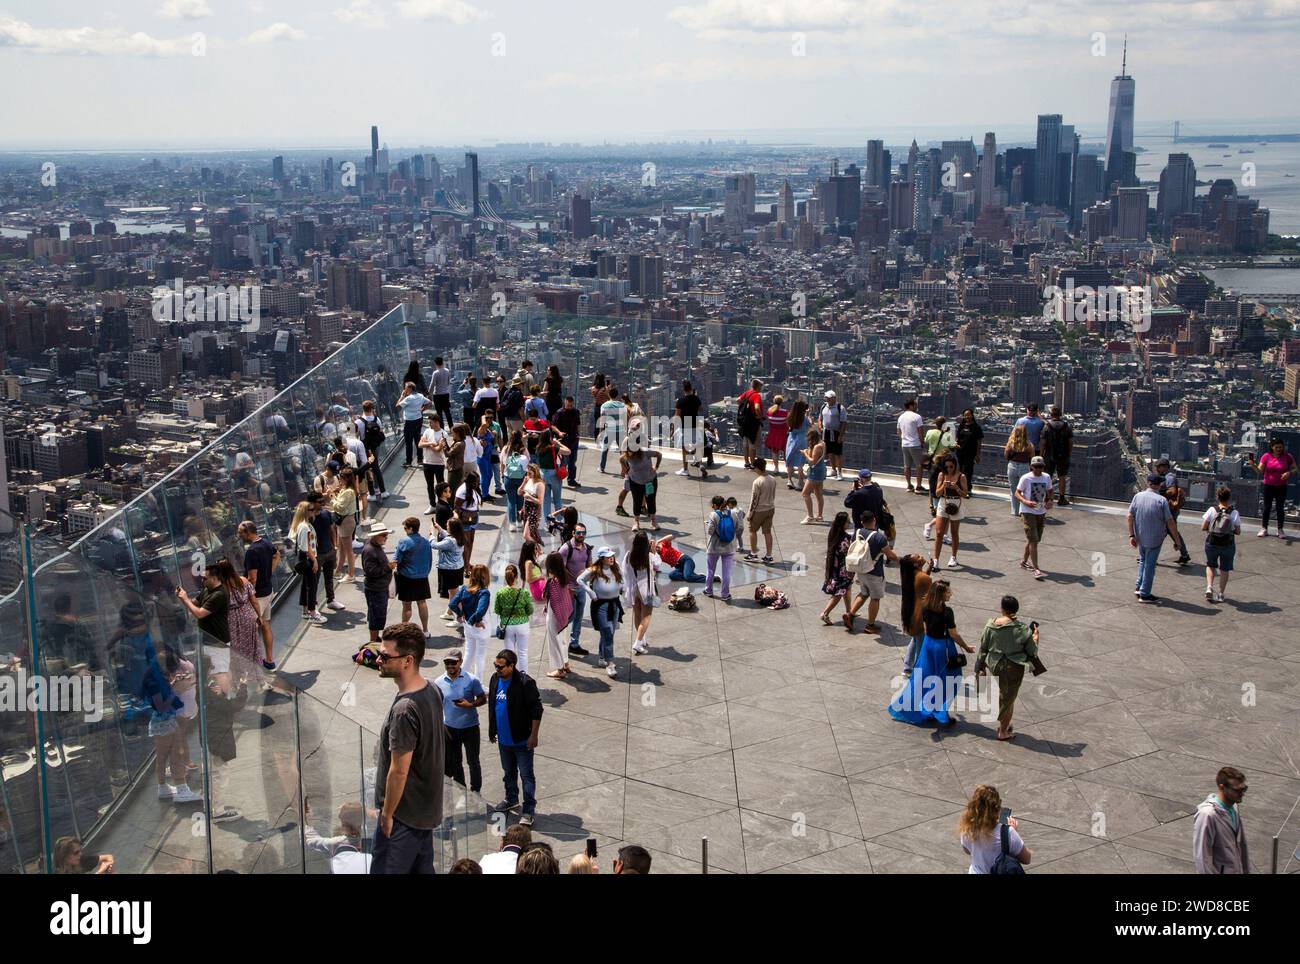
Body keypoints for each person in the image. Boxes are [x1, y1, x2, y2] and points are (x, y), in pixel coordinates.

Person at [372, 621, 445, 875]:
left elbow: (399, 770)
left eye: (385, 655)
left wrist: (387, 814)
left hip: (402, 818)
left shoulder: (405, 710)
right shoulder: (433, 690)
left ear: (407, 661)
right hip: (425, 814)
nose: (378, 660)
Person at [887, 579, 973, 727]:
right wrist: (966, 647)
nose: (950, 594)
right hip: (942, 647)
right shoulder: (947, 612)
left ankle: (911, 708)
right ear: (940, 594)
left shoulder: (925, 607)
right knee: (950, 679)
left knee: (922, 678)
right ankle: (938, 711)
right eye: (948, 592)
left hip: (928, 644)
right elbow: (953, 634)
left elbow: (926, 629)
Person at [488, 648, 544, 827]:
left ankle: (528, 810)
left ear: (512, 666)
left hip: (521, 740)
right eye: (496, 666)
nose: (497, 669)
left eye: (501, 667)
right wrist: (492, 731)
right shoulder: (495, 679)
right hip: (503, 741)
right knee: (508, 773)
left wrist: (533, 736)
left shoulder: (525, 683)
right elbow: (493, 706)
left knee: (526, 776)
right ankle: (511, 799)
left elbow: (537, 710)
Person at [974, 596, 1041, 741]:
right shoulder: (1022, 629)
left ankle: (1004, 722)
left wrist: (979, 666)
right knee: (1009, 698)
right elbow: (1032, 652)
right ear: (1016, 609)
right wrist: (1035, 637)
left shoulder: (990, 625)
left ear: (1002, 608)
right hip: (1014, 667)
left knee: (1004, 693)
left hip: (995, 664)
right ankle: (1003, 731)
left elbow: (983, 648)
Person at [436, 649, 486, 798]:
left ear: (460, 662)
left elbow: (483, 698)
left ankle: (476, 791)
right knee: (455, 762)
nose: (450, 665)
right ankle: (462, 792)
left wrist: (470, 705)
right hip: (449, 728)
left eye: (453, 662)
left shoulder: (472, 680)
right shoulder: (438, 682)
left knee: (473, 761)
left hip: (470, 728)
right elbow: (437, 705)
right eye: (447, 663)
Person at [1128, 472, 1181, 603]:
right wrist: (1177, 541)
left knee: (1143, 561)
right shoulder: (1161, 500)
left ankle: (1139, 586)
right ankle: (1145, 594)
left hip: (1140, 535)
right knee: (1150, 565)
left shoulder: (1138, 496)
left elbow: (1129, 516)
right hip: (1155, 538)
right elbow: (1170, 522)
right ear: (1160, 485)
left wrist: (1132, 535)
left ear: (1148, 483)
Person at [843, 510, 898, 634]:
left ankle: (850, 614)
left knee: (863, 593)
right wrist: (900, 559)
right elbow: (890, 555)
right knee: (875, 598)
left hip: (860, 569)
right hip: (875, 572)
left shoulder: (857, 532)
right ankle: (870, 625)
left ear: (862, 522)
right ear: (874, 520)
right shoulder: (879, 537)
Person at [958, 785, 1031, 874]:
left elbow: (967, 851)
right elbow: (1026, 859)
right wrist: (1012, 833)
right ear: (997, 808)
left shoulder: (967, 829)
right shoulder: (1007, 833)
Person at [1193, 766, 1251, 874]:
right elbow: (1202, 857)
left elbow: (1242, 845)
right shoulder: (1207, 815)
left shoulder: (1234, 807)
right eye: (1237, 790)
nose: (1242, 793)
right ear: (1222, 787)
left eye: (1244, 789)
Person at [578, 547, 625, 678]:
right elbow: (579, 580)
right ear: (601, 558)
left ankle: (602, 656)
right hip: (601, 605)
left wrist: (622, 587)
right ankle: (610, 664)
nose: (611, 558)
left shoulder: (616, 567)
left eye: (612, 556)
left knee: (609, 633)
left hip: (615, 604)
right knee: (608, 634)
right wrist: (590, 592)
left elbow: (622, 579)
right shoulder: (594, 570)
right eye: (608, 556)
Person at [238, 520, 279, 669]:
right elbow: (277, 555)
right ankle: (269, 659)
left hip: (258, 596)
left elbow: (252, 578)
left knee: (250, 630)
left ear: (248, 532)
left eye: (240, 532)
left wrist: (248, 596)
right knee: (265, 625)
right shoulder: (266, 543)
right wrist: (269, 573)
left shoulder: (251, 551)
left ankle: (252, 664)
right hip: (268, 591)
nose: (239, 535)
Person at [622, 531, 666, 655]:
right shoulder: (649, 556)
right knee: (646, 616)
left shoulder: (628, 555)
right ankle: (637, 642)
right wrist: (654, 551)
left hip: (633, 589)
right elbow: (658, 565)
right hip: (646, 590)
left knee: (637, 614)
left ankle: (641, 639)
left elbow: (624, 571)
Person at [449, 564, 492, 680]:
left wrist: (461, 614)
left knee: (468, 654)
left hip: (467, 627)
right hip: (480, 628)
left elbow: (452, 604)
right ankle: (479, 685)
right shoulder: (484, 593)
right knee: (480, 657)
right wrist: (474, 620)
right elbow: (480, 611)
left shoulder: (464, 588)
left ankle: (460, 679)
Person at [1247, 437, 1295, 538]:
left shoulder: (1287, 456)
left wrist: (1289, 473)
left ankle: (1280, 529)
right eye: (1277, 447)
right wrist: (1253, 465)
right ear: (1272, 447)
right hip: (1268, 485)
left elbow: (1295, 469)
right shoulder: (1266, 456)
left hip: (1281, 486)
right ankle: (1264, 528)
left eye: (1281, 447)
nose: (1279, 449)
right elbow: (1260, 471)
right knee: (1267, 508)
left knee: (1280, 508)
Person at [1201, 486, 1242, 604]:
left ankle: (1209, 587)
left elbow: (1203, 527)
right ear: (1229, 498)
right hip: (1227, 544)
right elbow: (1238, 532)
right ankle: (1221, 594)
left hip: (1212, 542)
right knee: (1224, 569)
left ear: (1217, 497)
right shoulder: (1234, 512)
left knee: (1210, 565)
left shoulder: (1212, 510)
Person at [394, 517, 434, 635]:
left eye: (405, 528)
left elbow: (396, 559)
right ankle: (425, 630)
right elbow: (430, 559)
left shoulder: (403, 542)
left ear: (411, 528)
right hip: (422, 577)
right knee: (422, 603)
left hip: (407, 577)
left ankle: (403, 630)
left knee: (407, 606)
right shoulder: (426, 542)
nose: (405, 530)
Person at [1014, 456, 1052, 580]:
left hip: (1040, 511)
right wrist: (1025, 501)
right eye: (1036, 467)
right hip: (1027, 511)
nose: (1038, 469)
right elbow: (1017, 492)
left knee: (1033, 540)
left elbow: (1049, 491)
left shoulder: (1046, 477)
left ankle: (1024, 562)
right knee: (1034, 541)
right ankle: (1036, 568)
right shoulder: (1025, 478)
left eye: (1040, 467)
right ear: (1031, 467)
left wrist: (1050, 500)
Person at [541, 552, 576, 678]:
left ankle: (559, 669)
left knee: (554, 642)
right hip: (564, 615)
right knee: (563, 640)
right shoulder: (565, 577)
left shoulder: (553, 582)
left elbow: (544, 596)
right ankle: (566, 664)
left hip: (554, 616)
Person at [930, 454, 968, 571]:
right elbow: (936, 493)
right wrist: (943, 486)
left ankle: (953, 557)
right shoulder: (942, 475)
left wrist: (957, 488)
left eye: (951, 467)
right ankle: (936, 560)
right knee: (939, 532)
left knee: (954, 532)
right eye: (946, 467)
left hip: (956, 503)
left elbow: (965, 494)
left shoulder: (961, 476)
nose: (949, 469)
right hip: (944, 502)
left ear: (955, 465)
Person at [289, 501, 326, 624]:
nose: (313, 511)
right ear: (305, 512)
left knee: (306, 584)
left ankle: (306, 610)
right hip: (308, 557)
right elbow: (306, 548)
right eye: (311, 509)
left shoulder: (304, 525)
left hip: (307, 557)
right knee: (312, 585)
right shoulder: (304, 527)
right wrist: (314, 561)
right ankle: (312, 612)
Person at [306, 492, 343, 613]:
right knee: (314, 581)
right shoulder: (308, 519)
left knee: (329, 577)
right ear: (312, 503)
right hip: (317, 554)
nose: (322, 504)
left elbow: (332, 529)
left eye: (323, 501)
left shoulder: (326, 513)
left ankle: (331, 600)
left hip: (329, 550)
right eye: (320, 502)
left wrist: (335, 547)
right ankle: (313, 605)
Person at [494, 564, 535, 674]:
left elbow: (497, 610)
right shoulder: (524, 593)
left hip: (507, 626)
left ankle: (510, 675)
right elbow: (530, 610)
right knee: (523, 652)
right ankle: (523, 676)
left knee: (509, 653)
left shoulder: (500, 593)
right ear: (517, 577)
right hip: (522, 625)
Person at [704, 494, 743, 601]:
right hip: (729, 547)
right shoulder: (733, 513)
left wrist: (709, 524)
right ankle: (725, 594)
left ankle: (708, 590)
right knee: (726, 572)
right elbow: (737, 527)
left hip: (714, 547)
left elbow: (710, 531)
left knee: (710, 569)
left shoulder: (713, 515)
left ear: (715, 505)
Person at [819, 512, 854, 626]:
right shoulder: (845, 539)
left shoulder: (833, 533)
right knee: (839, 592)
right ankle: (825, 613)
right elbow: (848, 552)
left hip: (834, 567)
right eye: (848, 521)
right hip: (842, 570)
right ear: (843, 523)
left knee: (847, 588)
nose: (849, 523)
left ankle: (850, 612)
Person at [1156, 458, 1192, 565]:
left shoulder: (1169, 477)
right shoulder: (1165, 477)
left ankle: (1150, 555)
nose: (1157, 469)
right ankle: (1184, 555)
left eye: (1159, 467)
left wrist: (1160, 492)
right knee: (1172, 532)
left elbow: (1172, 491)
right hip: (1169, 510)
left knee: (1160, 534)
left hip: (1169, 511)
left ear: (1165, 467)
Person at [362, 524, 393, 645]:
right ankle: (373, 642)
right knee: (375, 615)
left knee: (377, 614)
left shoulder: (376, 547)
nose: (386, 538)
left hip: (380, 587)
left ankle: (375, 639)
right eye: (384, 535)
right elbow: (370, 572)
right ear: (375, 536)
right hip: (375, 589)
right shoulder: (370, 550)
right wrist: (387, 568)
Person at [330, 467, 361, 582]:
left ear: (346, 479)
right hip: (344, 521)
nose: (339, 480)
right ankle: (338, 571)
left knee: (348, 550)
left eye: (341, 478)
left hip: (346, 522)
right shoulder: (346, 490)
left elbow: (339, 507)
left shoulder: (348, 491)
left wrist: (332, 497)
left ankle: (351, 574)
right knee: (341, 548)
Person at [622, 445, 662, 532]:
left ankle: (653, 521)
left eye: (632, 451)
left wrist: (656, 466)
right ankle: (636, 522)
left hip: (650, 481)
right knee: (637, 501)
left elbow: (659, 454)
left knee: (651, 500)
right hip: (635, 482)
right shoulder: (627, 455)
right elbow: (621, 460)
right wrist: (627, 469)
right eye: (629, 451)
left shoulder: (646, 452)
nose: (631, 453)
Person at [355, 400, 390, 502]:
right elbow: (381, 432)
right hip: (374, 448)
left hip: (364, 450)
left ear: (363, 408)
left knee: (367, 470)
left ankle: (372, 494)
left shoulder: (358, 422)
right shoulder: (377, 419)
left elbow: (353, 435)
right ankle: (382, 491)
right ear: (372, 409)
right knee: (376, 468)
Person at [745, 456, 778, 563]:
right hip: (770, 508)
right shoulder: (772, 479)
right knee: (767, 532)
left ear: (758, 468)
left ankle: (753, 553)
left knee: (752, 530)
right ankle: (769, 556)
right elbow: (773, 495)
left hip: (759, 510)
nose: (753, 470)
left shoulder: (757, 482)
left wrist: (750, 514)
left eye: (754, 468)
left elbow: (754, 500)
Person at [431, 517, 466, 612]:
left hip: (450, 570)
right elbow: (447, 535)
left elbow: (434, 545)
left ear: (452, 528)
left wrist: (431, 536)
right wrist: (439, 528)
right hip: (458, 568)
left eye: (447, 525)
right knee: (454, 591)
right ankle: (450, 611)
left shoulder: (450, 541)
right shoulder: (459, 537)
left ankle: (457, 614)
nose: (446, 527)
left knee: (453, 593)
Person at [674, 380, 707, 479]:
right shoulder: (696, 399)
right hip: (695, 424)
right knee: (696, 445)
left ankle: (685, 469)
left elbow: (677, 415)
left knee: (685, 448)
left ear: (684, 390)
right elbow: (701, 409)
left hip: (685, 425)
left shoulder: (680, 401)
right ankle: (700, 464)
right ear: (691, 389)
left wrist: (673, 427)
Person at [535, 428, 570, 520]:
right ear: (549, 438)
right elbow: (568, 451)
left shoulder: (538, 448)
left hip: (542, 474)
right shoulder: (553, 448)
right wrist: (558, 443)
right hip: (553, 474)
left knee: (546, 500)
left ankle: (548, 521)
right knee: (557, 499)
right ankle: (558, 519)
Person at [1040, 405, 1073, 505]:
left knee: (1047, 477)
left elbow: (1043, 443)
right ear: (1060, 415)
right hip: (1063, 456)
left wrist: (1041, 455)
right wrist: (1068, 454)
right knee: (1062, 477)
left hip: (1049, 456)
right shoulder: (1066, 426)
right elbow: (1071, 442)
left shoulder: (1047, 426)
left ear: (1051, 415)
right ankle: (1062, 499)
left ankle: (1046, 498)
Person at [396, 381, 432, 468]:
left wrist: (402, 396)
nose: (404, 389)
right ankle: (420, 459)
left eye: (405, 387)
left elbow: (397, 407)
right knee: (417, 439)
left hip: (409, 421)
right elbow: (429, 402)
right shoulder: (420, 395)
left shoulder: (408, 399)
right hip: (418, 419)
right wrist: (422, 410)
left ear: (410, 388)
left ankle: (408, 461)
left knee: (409, 442)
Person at [419, 413, 448, 512]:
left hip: (438, 464)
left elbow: (438, 449)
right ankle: (432, 505)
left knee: (440, 485)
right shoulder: (427, 431)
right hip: (427, 462)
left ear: (436, 422)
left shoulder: (443, 434)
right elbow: (420, 444)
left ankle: (442, 504)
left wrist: (427, 444)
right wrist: (431, 443)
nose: (429, 425)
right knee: (429, 485)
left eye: (431, 423)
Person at [1004, 424, 1034, 518]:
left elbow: (1006, 454)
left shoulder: (1011, 443)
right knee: (1025, 490)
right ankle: (1024, 510)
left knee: (1014, 490)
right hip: (1024, 467)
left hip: (1012, 466)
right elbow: (1032, 458)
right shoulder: (1029, 444)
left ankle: (1015, 511)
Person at [844, 467, 886, 533]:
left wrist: (853, 490)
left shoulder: (859, 493)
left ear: (861, 479)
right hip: (874, 523)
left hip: (861, 524)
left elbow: (847, 503)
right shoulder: (878, 490)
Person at [454, 468, 483, 565]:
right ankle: (466, 567)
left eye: (478, 482)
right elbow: (456, 507)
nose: (478, 484)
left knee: (470, 542)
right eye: (476, 482)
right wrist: (457, 522)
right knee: (466, 544)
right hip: (465, 519)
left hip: (473, 518)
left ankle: (467, 563)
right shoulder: (462, 491)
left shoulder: (473, 489)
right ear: (470, 482)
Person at [897, 398, 926, 494]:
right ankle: (918, 486)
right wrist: (922, 442)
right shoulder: (917, 417)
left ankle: (909, 485)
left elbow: (898, 432)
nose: (916, 406)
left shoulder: (901, 417)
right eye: (915, 405)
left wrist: (904, 438)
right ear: (911, 406)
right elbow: (920, 432)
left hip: (904, 444)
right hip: (915, 444)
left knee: (907, 466)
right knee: (919, 466)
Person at [553, 396, 582, 488]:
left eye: (571, 405)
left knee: (573, 462)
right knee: (564, 461)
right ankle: (559, 480)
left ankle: (571, 480)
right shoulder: (559, 412)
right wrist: (559, 432)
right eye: (568, 405)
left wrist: (578, 434)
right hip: (563, 440)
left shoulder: (576, 412)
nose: (569, 407)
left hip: (574, 439)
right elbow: (553, 426)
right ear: (565, 403)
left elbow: (578, 424)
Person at [800, 428, 827, 524]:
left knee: (805, 493)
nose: (808, 441)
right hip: (822, 470)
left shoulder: (816, 447)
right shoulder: (822, 443)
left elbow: (812, 462)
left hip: (815, 472)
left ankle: (810, 516)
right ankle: (819, 515)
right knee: (819, 494)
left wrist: (805, 454)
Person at [819, 389, 848, 480]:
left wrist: (841, 435)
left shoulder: (840, 408)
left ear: (834, 398)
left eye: (829, 398)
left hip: (836, 432)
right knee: (829, 452)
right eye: (826, 398)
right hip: (826, 432)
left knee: (837, 453)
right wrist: (820, 427)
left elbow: (844, 423)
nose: (827, 399)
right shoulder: (823, 406)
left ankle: (839, 473)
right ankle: (833, 470)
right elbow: (820, 418)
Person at [736, 379, 765, 469]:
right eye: (761, 386)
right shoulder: (757, 395)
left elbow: (738, 400)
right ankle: (753, 464)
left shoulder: (747, 393)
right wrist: (760, 417)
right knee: (753, 445)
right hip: (753, 423)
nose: (761, 388)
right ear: (758, 386)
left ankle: (746, 463)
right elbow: (757, 407)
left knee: (745, 444)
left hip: (745, 422)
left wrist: (744, 410)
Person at [598, 387, 626, 473]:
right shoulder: (622, 405)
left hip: (609, 430)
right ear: (617, 395)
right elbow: (625, 418)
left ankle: (602, 468)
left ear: (609, 395)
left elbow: (602, 419)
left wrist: (600, 432)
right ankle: (625, 468)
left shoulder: (604, 405)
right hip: (620, 430)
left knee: (605, 449)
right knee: (622, 450)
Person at [954, 408, 983, 490]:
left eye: (968, 415)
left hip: (970, 453)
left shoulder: (976, 427)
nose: (967, 417)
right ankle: (960, 487)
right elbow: (957, 437)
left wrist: (977, 455)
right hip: (960, 452)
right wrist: (956, 444)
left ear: (972, 415)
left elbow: (979, 442)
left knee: (967, 470)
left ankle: (967, 488)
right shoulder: (961, 425)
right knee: (960, 469)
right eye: (965, 415)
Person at [784, 396, 810, 490]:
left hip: (791, 440)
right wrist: (808, 416)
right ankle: (800, 482)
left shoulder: (790, 416)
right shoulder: (804, 418)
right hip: (802, 440)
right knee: (800, 463)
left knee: (790, 461)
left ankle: (789, 480)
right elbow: (810, 425)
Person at [518, 463, 545, 544]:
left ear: (535, 473)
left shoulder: (540, 484)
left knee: (526, 535)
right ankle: (536, 551)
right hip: (526, 508)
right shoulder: (528, 480)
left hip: (534, 510)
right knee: (531, 534)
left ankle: (538, 545)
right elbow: (519, 492)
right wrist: (523, 483)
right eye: (527, 473)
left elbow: (540, 501)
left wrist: (529, 497)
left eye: (530, 473)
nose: (528, 475)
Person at [763, 395, 789, 478]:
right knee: (786, 452)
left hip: (773, 433)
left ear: (774, 402)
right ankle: (788, 468)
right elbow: (788, 424)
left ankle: (776, 468)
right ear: (782, 402)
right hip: (783, 434)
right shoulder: (785, 412)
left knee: (774, 452)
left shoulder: (769, 411)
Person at [444, 423, 467, 503]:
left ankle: (451, 506)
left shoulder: (459, 444)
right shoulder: (458, 442)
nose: (452, 435)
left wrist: (444, 446)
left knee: (451, 490)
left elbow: (448, 454)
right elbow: (450, 450)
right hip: (456, 469)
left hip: (455, 470)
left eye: (452, 433)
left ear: (457, 433)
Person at [430, 356, 453, 428]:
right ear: (442, 362)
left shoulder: (435, 373)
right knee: (447, 412)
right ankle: (451, 427)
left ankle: (442, 428)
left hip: (437, 395)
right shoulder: (447, 371)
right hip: (445, 394)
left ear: (436, 364)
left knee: (439, 413)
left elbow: (432, 384)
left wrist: (429, 393)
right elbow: (448, 382)